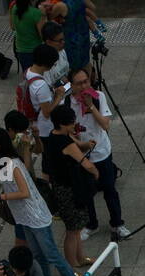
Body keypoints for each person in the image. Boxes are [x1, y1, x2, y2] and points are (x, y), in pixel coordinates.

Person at [0, 128, 85, 276]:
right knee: (38, 255)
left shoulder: (11, 164)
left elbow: (24, 192)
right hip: (24, 217)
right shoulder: (2, 161)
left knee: (52, 255)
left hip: (35, 216)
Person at [69, 68, 130, 241]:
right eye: (79, 83)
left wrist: (90, 106)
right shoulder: (67, 102)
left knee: (109, 189)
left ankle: (117, 223)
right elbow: (65, 130)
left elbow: (105, 125)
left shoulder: (98, 97)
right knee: (86, 192)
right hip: (81, 154)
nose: (84, 86)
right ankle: (91, 224)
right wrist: (77, 143)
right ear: (71, 85)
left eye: (86, 82)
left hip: (101, 152)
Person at [45, 103, 100, 267]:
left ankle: (80, 258)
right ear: (62, 124)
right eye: (71, 122)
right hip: (68, 190)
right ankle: (72, 265)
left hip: (61, 186)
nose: (73, 124)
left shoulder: (54, 135)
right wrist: (95, 172)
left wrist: (85, 144)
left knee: (77, 228)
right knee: (72, 230)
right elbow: (85, 163)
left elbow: (75, 143)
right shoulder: (65, 143)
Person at [25, 43, 68, 148]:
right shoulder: (40, 85)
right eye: (53, 63)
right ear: (47, 64)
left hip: (36, 123)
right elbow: (47, 113)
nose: (54, 66)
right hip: (45, 128)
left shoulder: (29, 71)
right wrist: (58, 97)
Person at [11, 0, 47, 70]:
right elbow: (43, 36)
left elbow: (12, 27)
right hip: (35, 50)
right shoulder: (36, 13)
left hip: (20, 49)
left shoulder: (14, 8)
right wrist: (44, 15)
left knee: (27, 73)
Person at [42, 20, 72, 87]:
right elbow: (48, 88)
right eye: (60, 41)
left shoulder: (61, 51)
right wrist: (61, 81)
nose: (63, 42)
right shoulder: (43, 62)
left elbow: (67, 71)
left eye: (63, 39)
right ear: (48, 42)